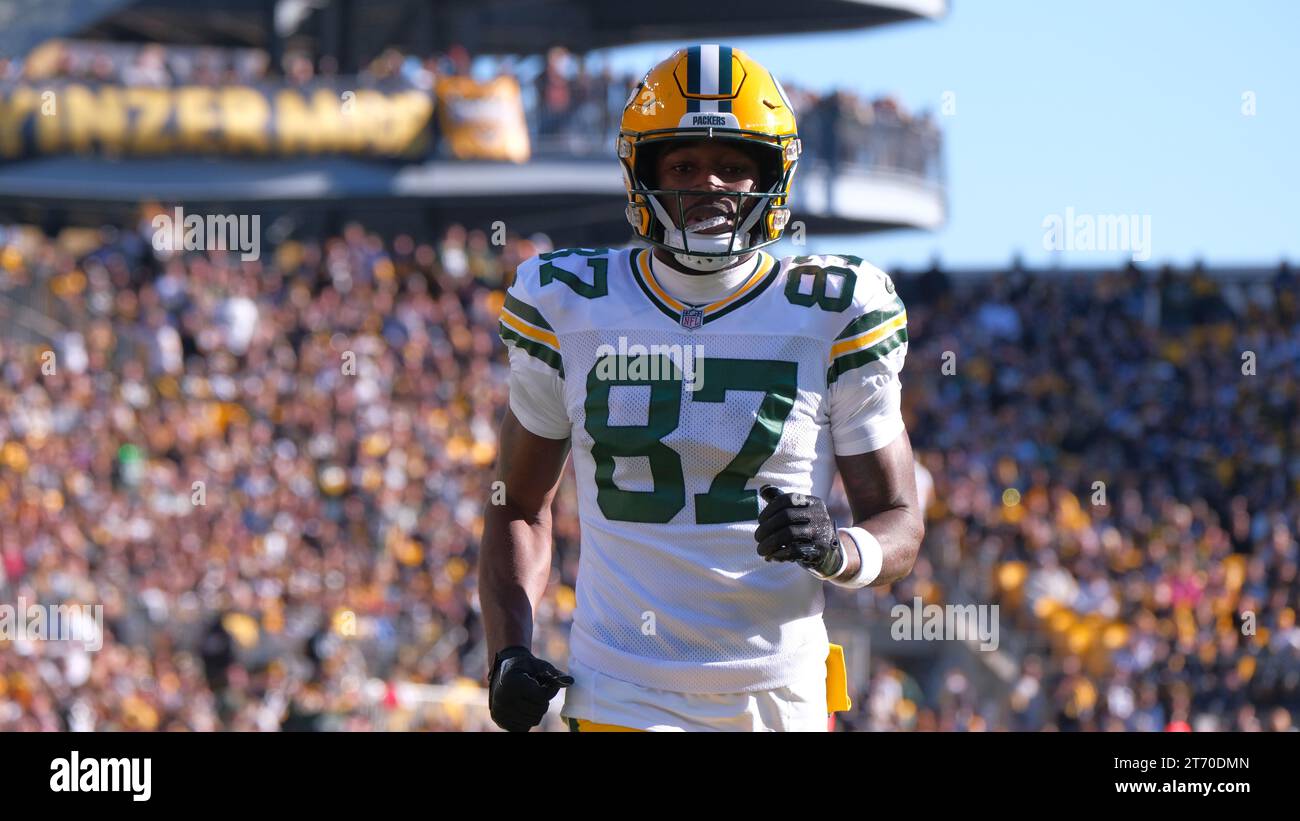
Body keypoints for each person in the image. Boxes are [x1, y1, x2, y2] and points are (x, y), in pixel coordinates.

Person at [478, 44, 925, 732]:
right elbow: (517, 505)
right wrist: (508, 648)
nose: (706, 184)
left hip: (780, 698)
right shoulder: (569, 300)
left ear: (769, 178)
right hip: (623, 690)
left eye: (732, 166)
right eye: (683, 165)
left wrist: (840, 549)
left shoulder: (835, 306)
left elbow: (898, 513)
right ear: (643, 174)